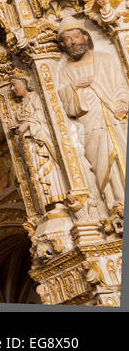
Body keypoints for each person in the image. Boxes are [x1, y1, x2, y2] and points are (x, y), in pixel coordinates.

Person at [55, 25, 128, 213]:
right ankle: (116, 202)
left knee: (122, 150)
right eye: (68, 40)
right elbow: (66, 104)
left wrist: (123, 103)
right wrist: (74, 87)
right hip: (90, 121)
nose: (73, 42)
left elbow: (120, 83)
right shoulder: (65, 71)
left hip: (115, 114)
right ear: (63, 45)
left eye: (76, 36)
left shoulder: (105, 59)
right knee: (102, 161)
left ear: (86, 37)